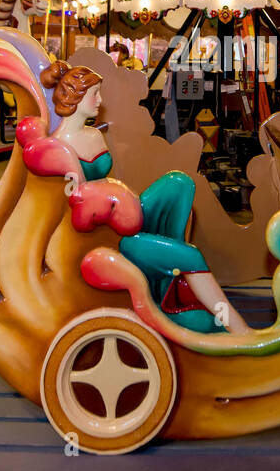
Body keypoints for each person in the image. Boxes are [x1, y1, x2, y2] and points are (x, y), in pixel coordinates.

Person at [41, 60, 247, 334]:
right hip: (104, 236)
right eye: (95, 94)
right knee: (191, 255)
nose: (100, 101)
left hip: (119, 216)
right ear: (76, 98)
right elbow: (76, 208)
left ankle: (165, 281)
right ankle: (236, 327)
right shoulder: (61, 148)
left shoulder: (93, 134)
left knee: (179, 183)